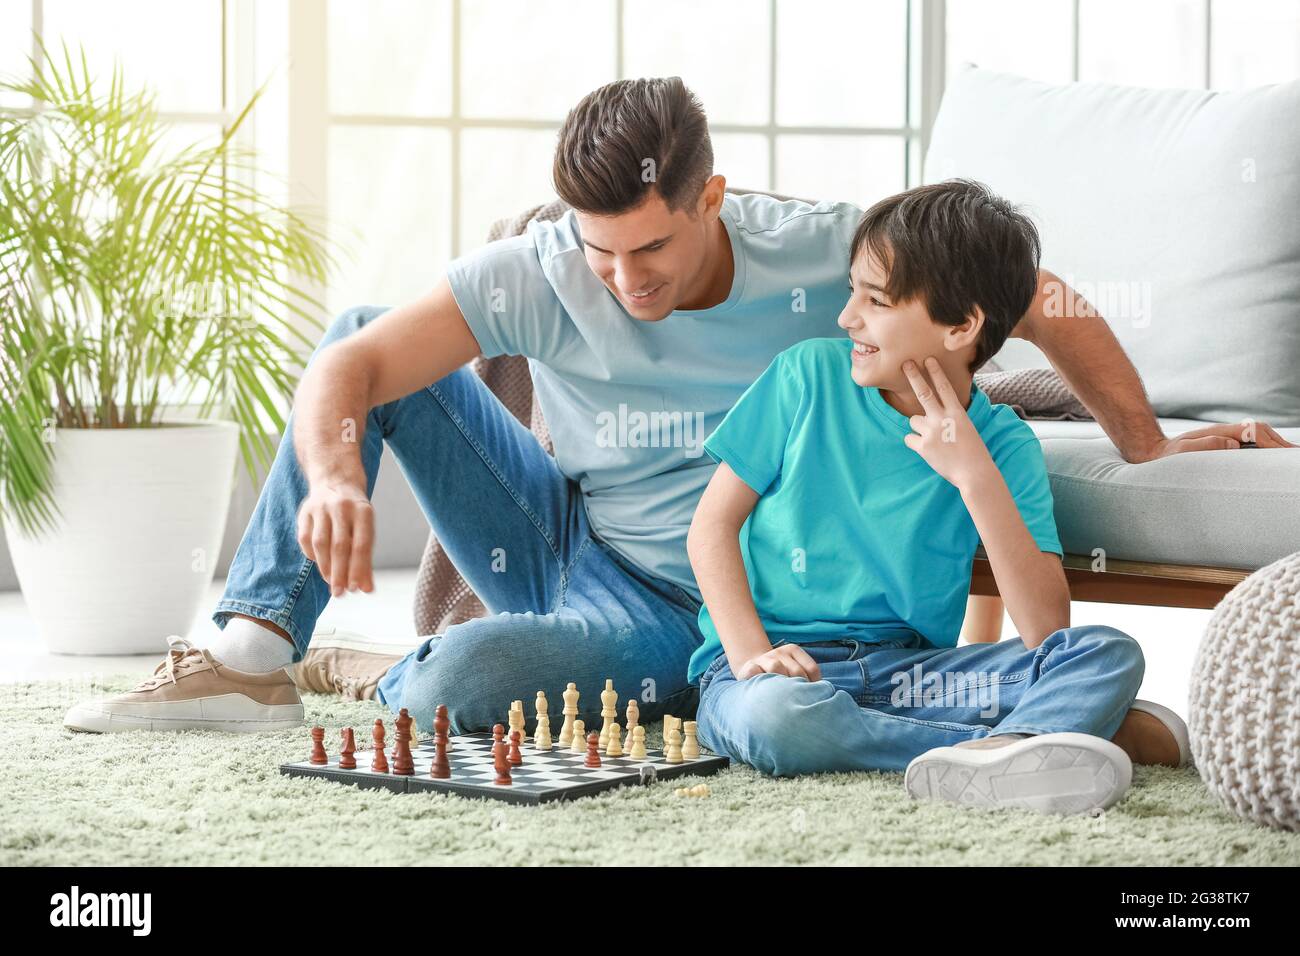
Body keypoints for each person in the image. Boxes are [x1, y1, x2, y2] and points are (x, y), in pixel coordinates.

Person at [63, 77, 1292, 738]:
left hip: (688, 605)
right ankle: (253, 653)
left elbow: (1036, 291)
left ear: (715, 195)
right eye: (598, 252)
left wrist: (1144, 442)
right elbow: (350, 371)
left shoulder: (822, 256)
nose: (622, 279)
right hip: (554, 533)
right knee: (350, 342)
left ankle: (420, 669)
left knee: (454, 696)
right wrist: (336, 475)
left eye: (646, 247)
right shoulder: (550, 267)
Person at [687, 179, 1187, 813]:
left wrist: (973, 474)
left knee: (1108, 650)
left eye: (876, 300)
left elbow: (1045, 628)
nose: (847, 317)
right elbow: (709, 529)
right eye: (852, 292)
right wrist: (753, 657)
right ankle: (1019, 745)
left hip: (916, 678)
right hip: (773, 675)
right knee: (779, 722)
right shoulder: (805, 377)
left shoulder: (1004, 444)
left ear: (962, 325)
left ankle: (1016, 744)